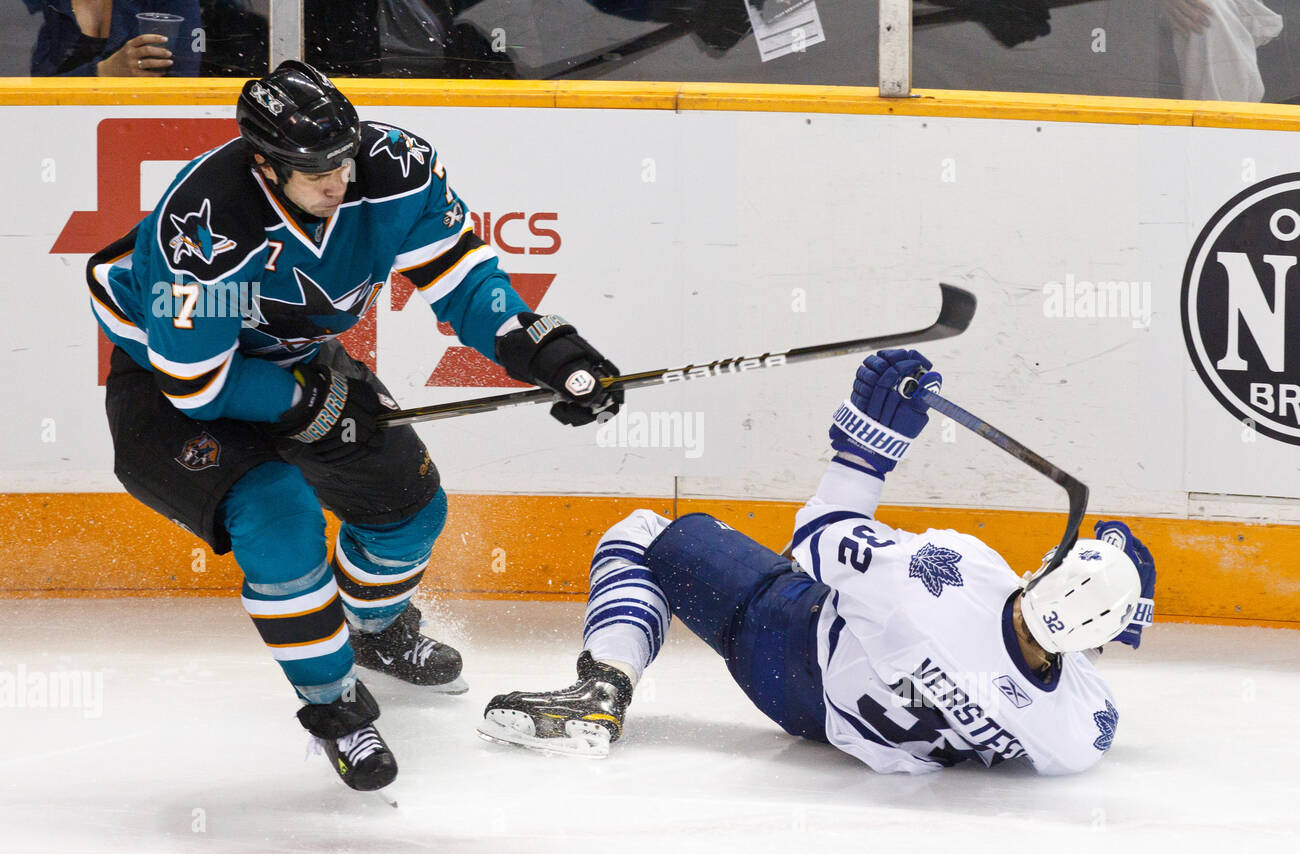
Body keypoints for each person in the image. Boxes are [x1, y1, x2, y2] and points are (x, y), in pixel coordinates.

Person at [87, 60, 623, 792]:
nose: (338, 181)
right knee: (279, 515)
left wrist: (537, 345)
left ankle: (375, 633)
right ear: (265, 167)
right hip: (165, 387)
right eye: (314, 171)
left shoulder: (393, 166)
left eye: (342, 158)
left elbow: (462, 276)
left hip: (297, 359)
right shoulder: (207, 226)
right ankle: (333, 702)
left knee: (409, 511)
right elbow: (199, 382)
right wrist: (312, 405)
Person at [479, 349, 1156, 775]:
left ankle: (601, 693)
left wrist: (869, 447)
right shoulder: (1076, 732)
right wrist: (1119, 594)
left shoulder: (951, 575)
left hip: (785, 642)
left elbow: (820, 537)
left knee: (643, 534)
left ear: (1043, 570)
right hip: (831, 729)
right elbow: (1063, 661)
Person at [26, 0, 200, 76]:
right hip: (46, 134)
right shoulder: (35, 6)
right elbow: (19, 91)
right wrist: (103, 72)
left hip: (140, 131)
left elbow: (186, 82)